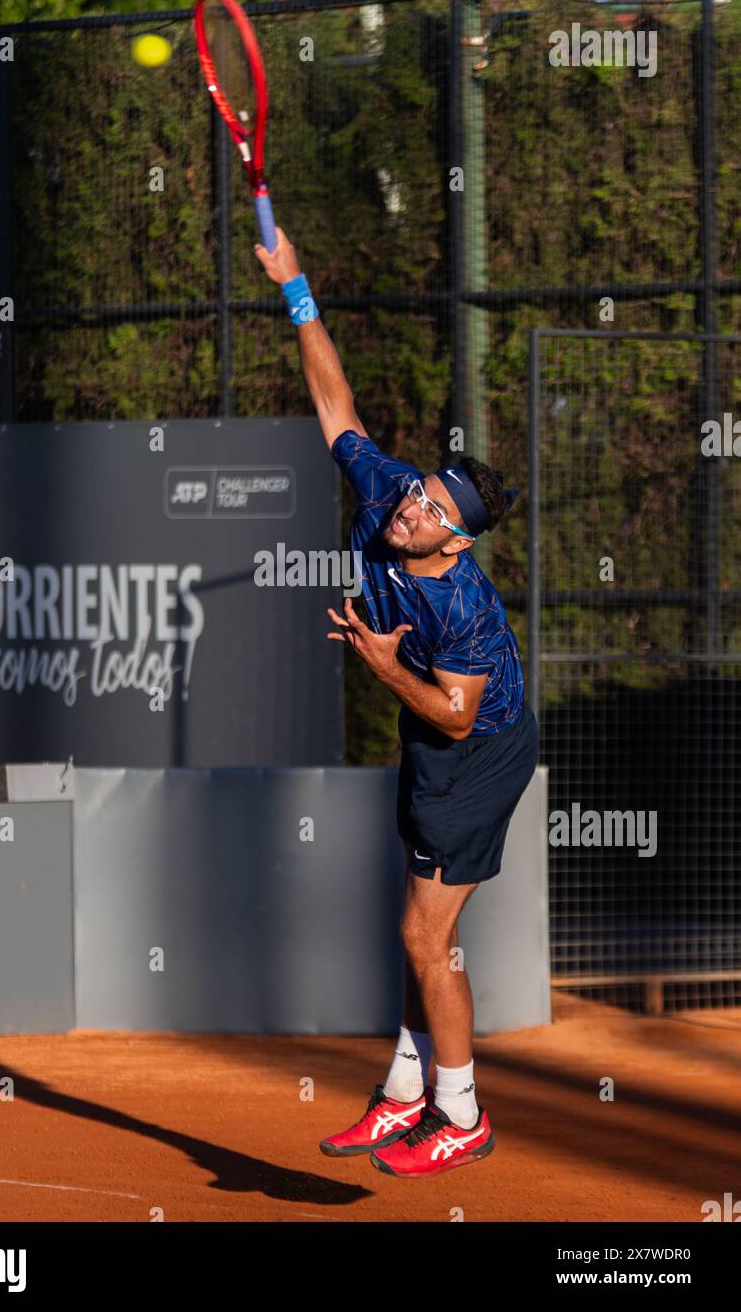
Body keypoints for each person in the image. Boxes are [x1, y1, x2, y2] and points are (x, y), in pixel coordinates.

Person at [255, 227, 539, 1178]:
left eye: (429, 511)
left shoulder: (462, 602)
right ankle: (404, 1094)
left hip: (478, 750)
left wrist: (381, 667)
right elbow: (337, 410)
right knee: (418, 935)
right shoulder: (387, 498)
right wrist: (298, 291)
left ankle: (460, 1114)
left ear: (456, 543)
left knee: (427, 935)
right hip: (427, 733)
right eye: (418, 492)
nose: (409, 507)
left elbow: (459, 715)